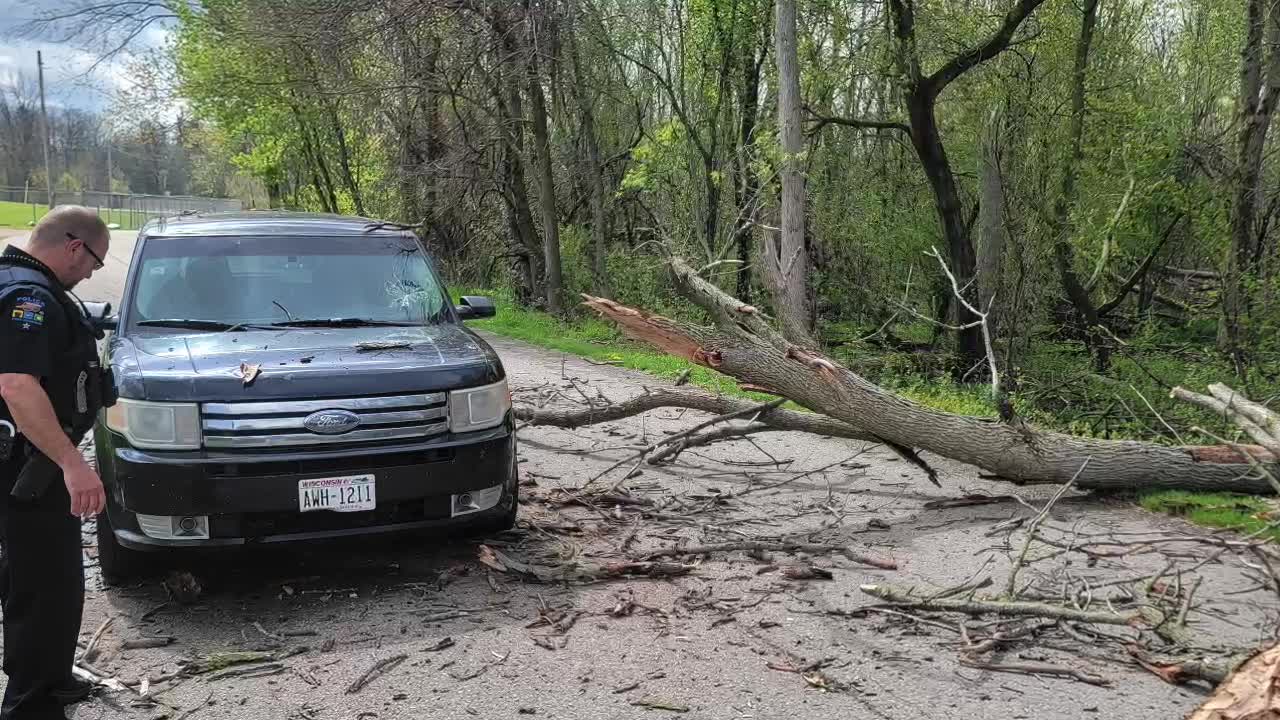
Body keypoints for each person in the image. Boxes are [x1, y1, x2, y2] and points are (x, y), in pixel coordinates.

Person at [0, 206, 114, 719]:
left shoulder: (24, 283)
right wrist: (73, 464)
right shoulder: (29, 297)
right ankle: (29, 703)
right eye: (93, 261)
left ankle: (49, 676)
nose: (91, 272)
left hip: (36, 458)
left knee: (57, 577)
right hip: (34, 464)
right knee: (41, 581)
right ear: (73, 246)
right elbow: (17, 386)